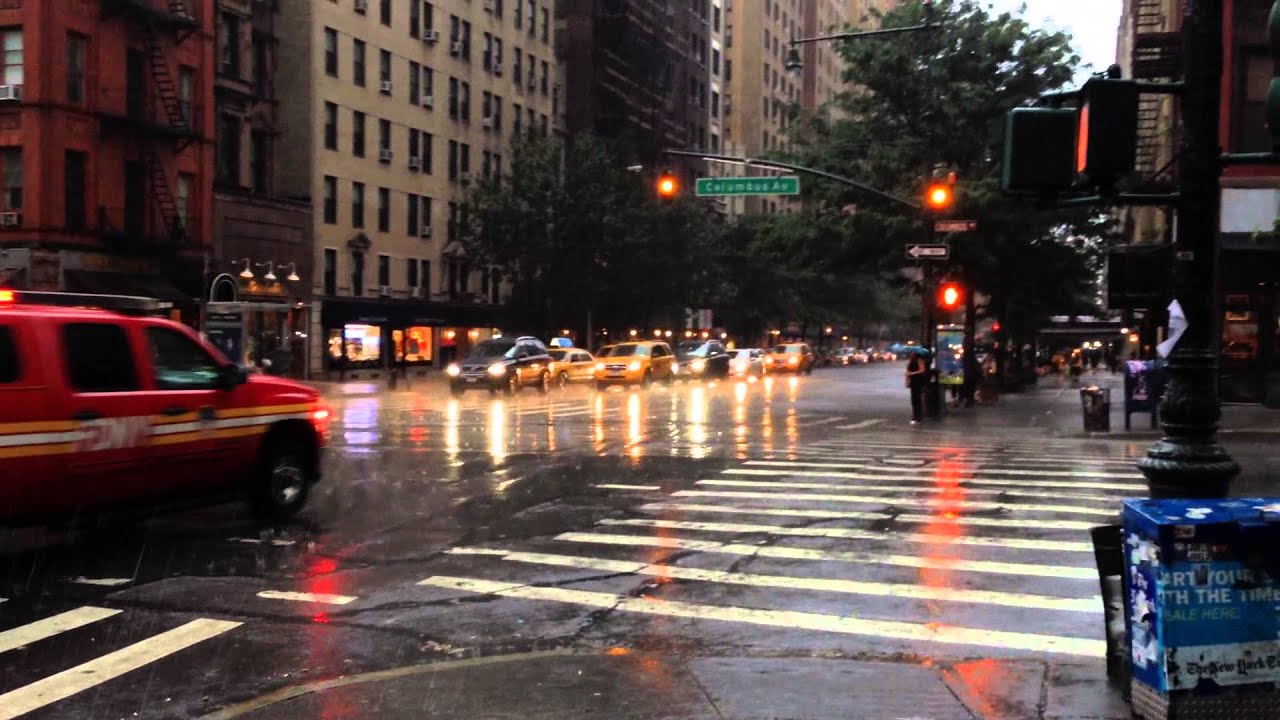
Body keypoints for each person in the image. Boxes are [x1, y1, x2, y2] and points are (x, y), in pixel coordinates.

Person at [905, 353, 929, 424]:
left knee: (918, 398)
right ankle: (915, 415)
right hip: (913, 381)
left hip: (918, 380)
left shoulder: (919, 360)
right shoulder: (910, 362)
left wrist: (912, 373)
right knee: (913, 399)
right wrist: (907, 380)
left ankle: (918, 416)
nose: (911, 355)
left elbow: (922, 370)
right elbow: (907, 372)